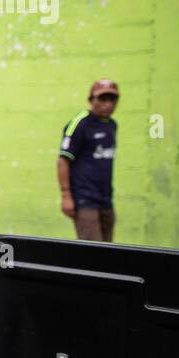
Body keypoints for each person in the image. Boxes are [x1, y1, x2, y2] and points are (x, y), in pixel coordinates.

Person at [58, 79, 119, 242]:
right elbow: (63, 160)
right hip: (84, 199)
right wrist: (66, 195)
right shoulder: (80, 124)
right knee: (92, 250)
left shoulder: (112, 125)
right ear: (91, 100)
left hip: (106, 199)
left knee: (109, 249)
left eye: (112, 99)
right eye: (102, 99)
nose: (108, 104)